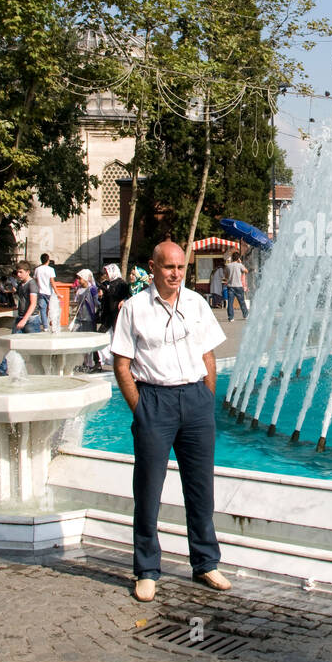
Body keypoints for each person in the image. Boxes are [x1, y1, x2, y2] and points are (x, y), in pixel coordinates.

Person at [110, 241, 229, 602]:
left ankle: (206, 561)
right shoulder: (134, 309)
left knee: (200, 487)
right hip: (155, 401)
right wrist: (141, 409)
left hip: (195, 399)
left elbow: (208, 353)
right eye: (168, 267)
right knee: (148, 491)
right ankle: (146, 570)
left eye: (180, 267)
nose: (175, 273)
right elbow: (121, 363)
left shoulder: (196, 303)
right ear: (153, 267)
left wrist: (207, 397)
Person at [35, 253, 58, 333]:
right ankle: (53, 325)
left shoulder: (37, 269)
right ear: (48, 260)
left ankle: (45, 327)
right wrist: (57, 292)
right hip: (49, 292)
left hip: (40, 291)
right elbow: (52, 281)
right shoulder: (50, 269)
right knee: (52, 308)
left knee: (43, 310)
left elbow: (36, 280)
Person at [223, 251, 249, 322]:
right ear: (238, 258)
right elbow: (246, 271)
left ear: (232, 258)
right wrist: (240, 263)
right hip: (238, 286)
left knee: (230, 303)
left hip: (230, 286)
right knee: (241, 302)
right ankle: (245, 315)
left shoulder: (228, 266)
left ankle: (231, 317)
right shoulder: (240, 265)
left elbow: (226, 276)